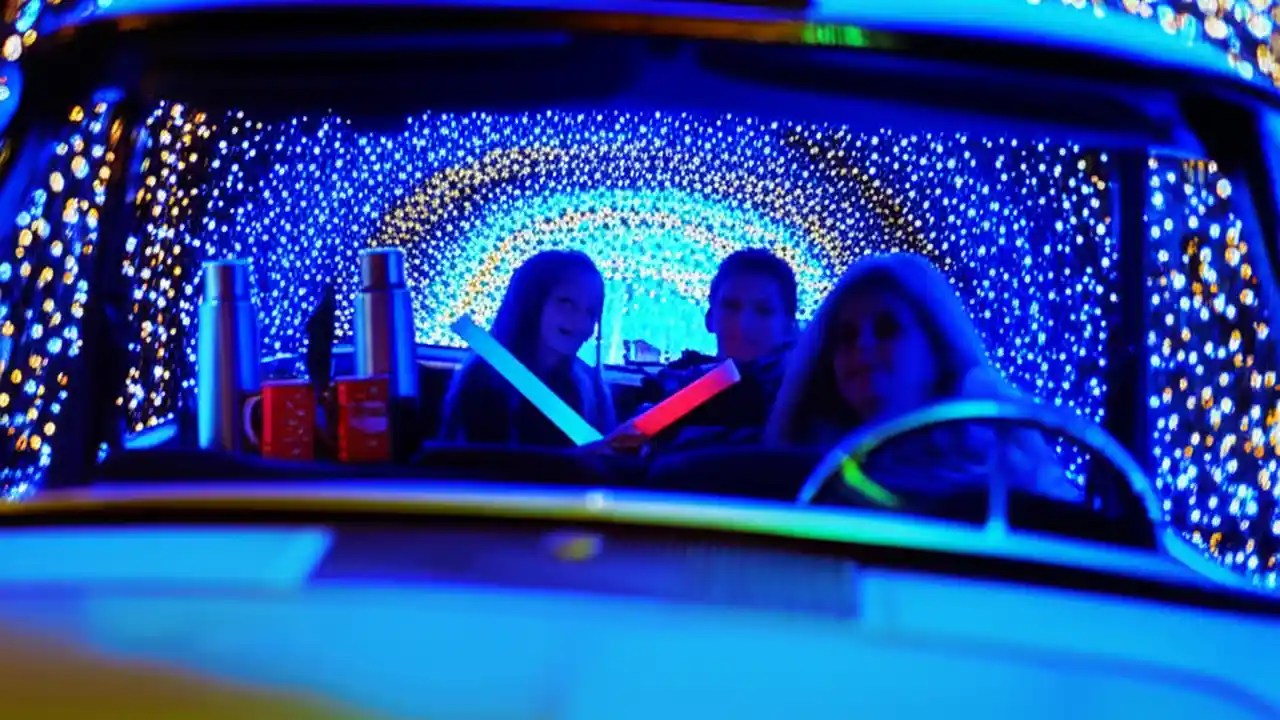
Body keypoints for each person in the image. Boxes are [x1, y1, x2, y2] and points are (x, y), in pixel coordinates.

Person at [766, 253, 1079, 502]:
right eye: (845, 336)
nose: (862, 344)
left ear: (936, 349)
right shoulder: (804, 474)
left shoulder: (1007, 469)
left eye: (887, 329)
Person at [440, 250, 616, 447]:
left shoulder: (590, 386)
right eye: (566, 303)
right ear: (531, 303)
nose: (582, 322)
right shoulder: (484, 378)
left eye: (591, 312)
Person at [627, 248, 798, 451]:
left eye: (763, 311)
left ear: (789, 327)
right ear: (710, 318)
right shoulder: (671, 387)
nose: (743, 323)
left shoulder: (804, 401)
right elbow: (621, 448)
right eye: (731, 306)